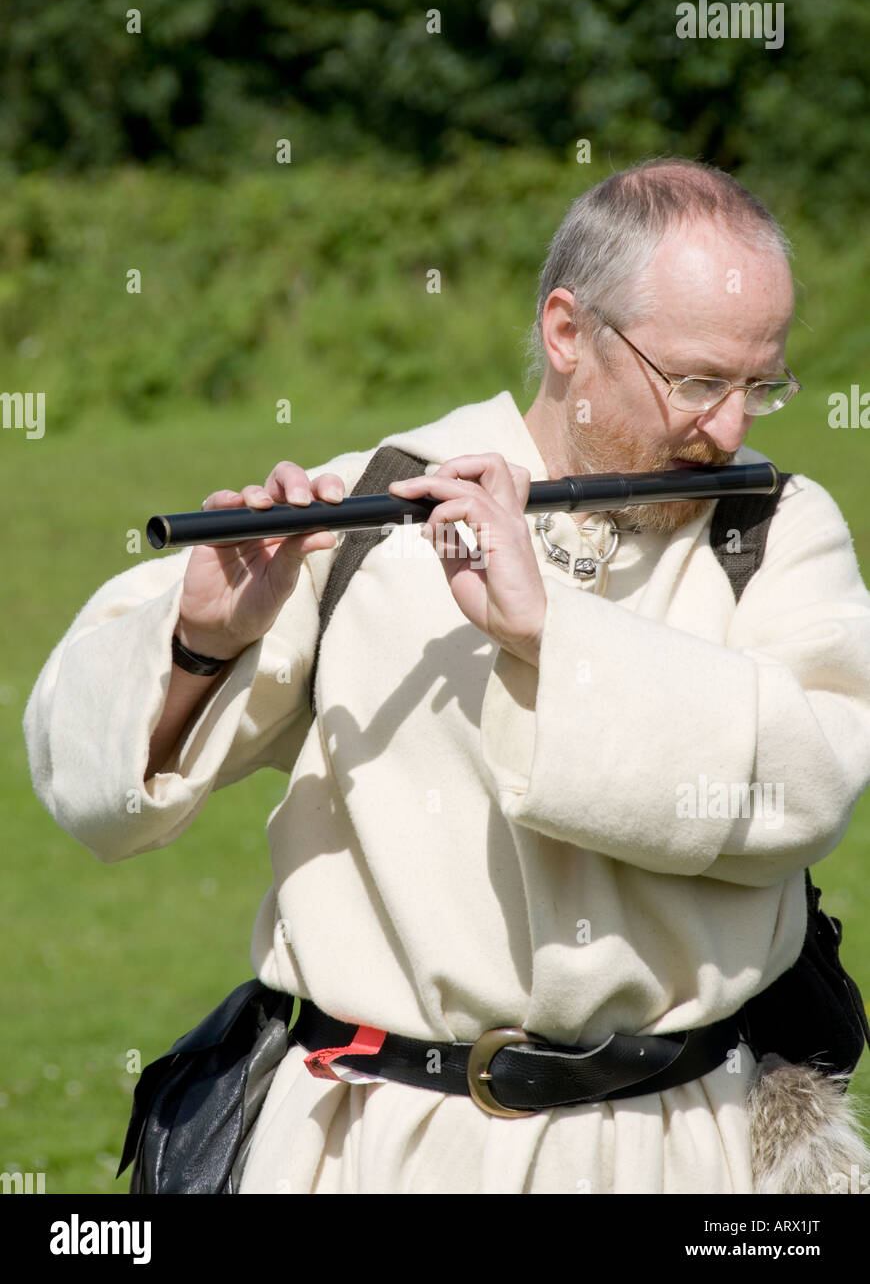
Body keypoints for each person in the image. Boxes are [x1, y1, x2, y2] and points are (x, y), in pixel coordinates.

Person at [24, 159, 870, 1194]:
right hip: (384, 1148)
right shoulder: (382, 500)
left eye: (760, 385)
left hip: (681, 1150)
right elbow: (90, 791)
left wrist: (549, 634)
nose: (732, 428)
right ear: (569, 332)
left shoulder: (774, 531)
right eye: (698, 383)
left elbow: (812, 781)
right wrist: (202, 639)